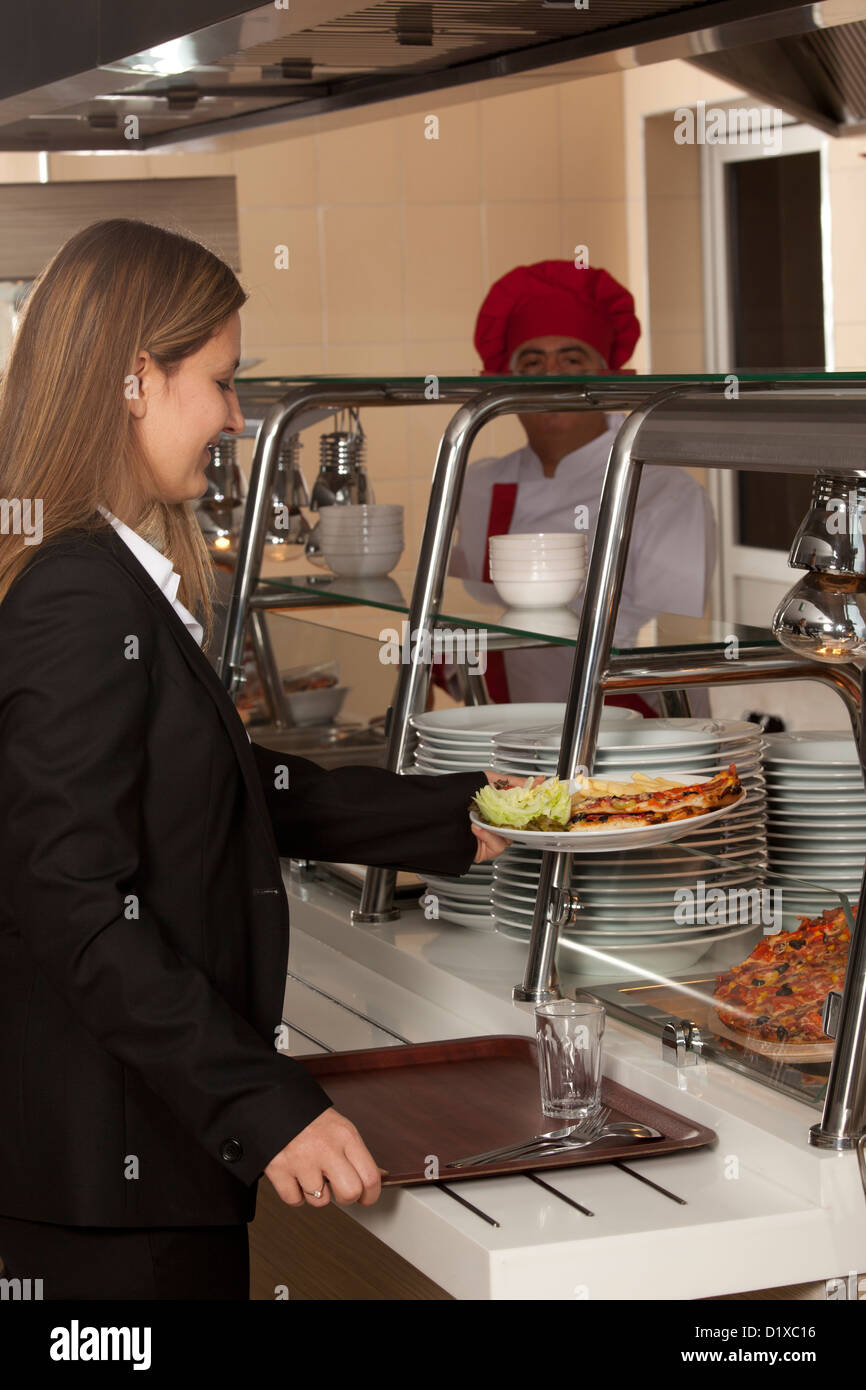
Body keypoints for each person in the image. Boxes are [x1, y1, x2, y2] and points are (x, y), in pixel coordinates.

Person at [0, 219, 514, 1301]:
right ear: (137, 379)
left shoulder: (104, 573)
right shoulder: (80, 594)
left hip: (123, 1163)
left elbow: (233, 793)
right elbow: (72, 901)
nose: (237, 419)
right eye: (224, 382)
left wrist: (460, 814)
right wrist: (261, 1102)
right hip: (108, 1188)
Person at [448, 260, 717, 708]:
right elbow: (473, 605)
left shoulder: (663, 488)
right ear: (506, 385)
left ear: (609, 378)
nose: (553, 376)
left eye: (572, 360)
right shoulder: (481, 483)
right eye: (532, 363)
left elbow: (668, 637)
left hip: (641, 730)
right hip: (512, 729)